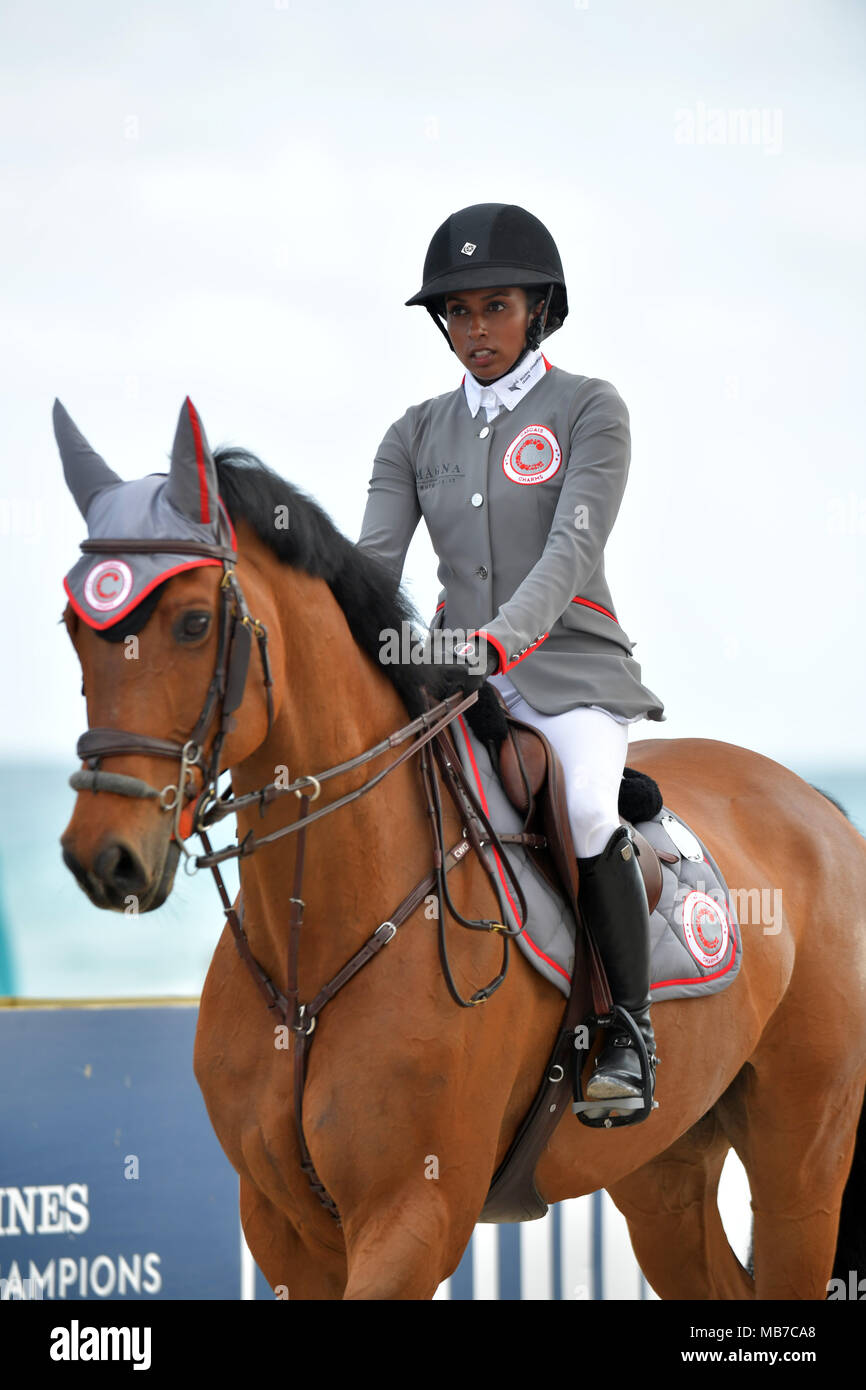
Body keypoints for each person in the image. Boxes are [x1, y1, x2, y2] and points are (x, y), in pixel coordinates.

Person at [356, 202, 665, 1104]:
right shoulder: (413, 434)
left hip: (571, 678)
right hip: (458, 680)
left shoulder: (590, 410)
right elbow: (375, 567)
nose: (474, 330)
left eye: (494, 307)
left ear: (538, 309)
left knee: (589, 810)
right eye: (457, 312)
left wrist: (498, 641)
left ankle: (626, 1035)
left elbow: (572, 550)